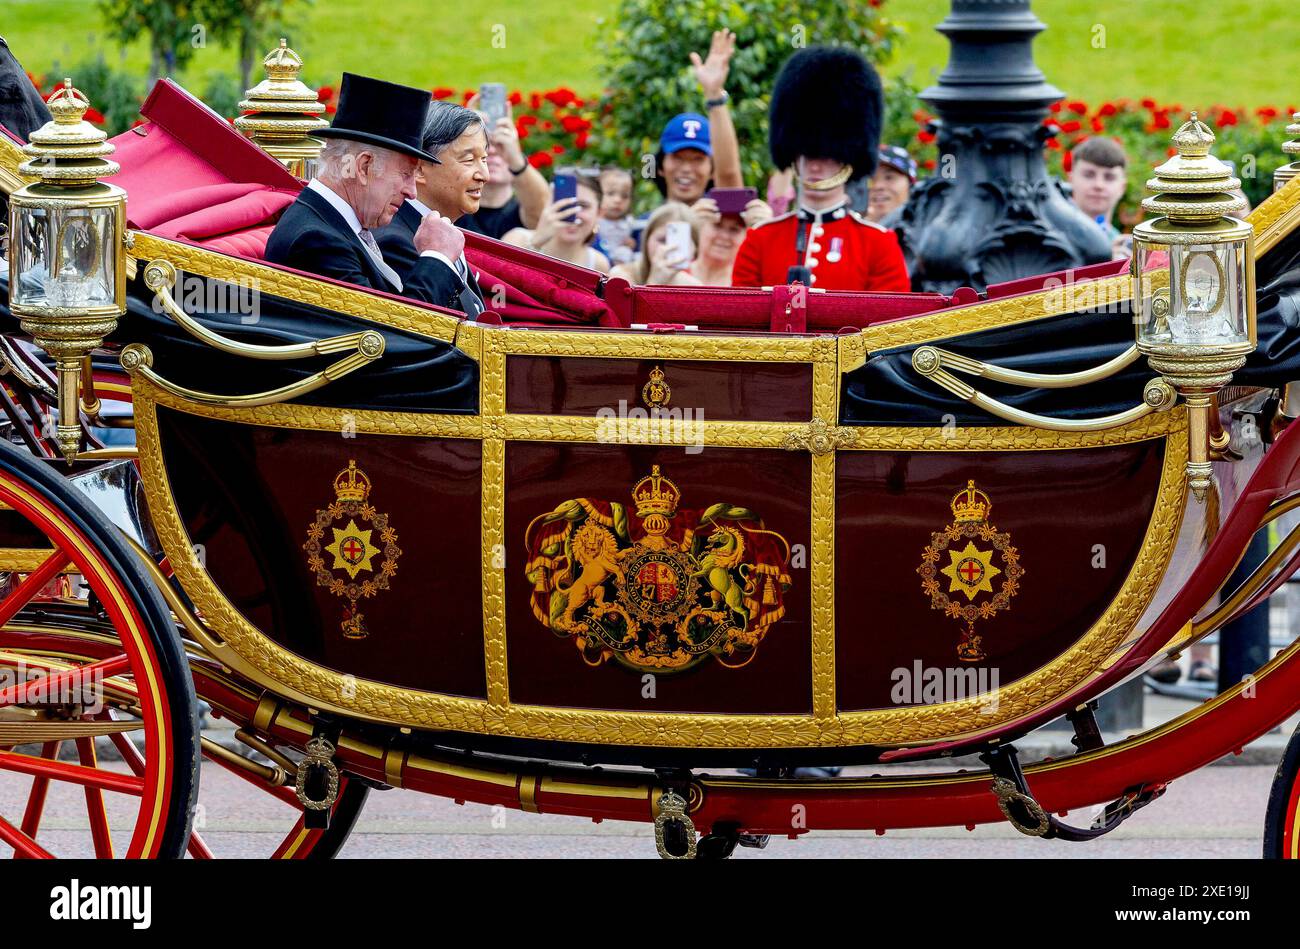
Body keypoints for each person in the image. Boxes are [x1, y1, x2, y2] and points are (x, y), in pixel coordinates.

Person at [265, 73, 473, 312]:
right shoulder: (317, 241)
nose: (412, 192)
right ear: (364, 166)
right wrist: (438, 258)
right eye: (406, 174)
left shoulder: (332, 224)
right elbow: (394, 334)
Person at [731, 46, 909, 292]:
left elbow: (890, 325)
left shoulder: (878, 244)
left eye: (828, 156)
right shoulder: (760, 240)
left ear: (848, 158)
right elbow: (740, 319)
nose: (814, 165)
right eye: (807, 154)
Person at [372, 100, 489, 317]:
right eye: (469, 160)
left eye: (484, 159)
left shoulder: (442, 229)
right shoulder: (395, 241)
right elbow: (414, 327)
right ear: (418, 169)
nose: (484, 174)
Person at [458, 92, 550, 238]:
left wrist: (516, 159)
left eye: (500, 145)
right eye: (485, 146)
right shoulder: (452, 207)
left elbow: (543, 211)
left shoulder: (522, 211)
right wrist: (462, 135)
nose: (492, 151)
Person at [503, 172, 610, 272]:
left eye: (583, 206)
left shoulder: (598, 263)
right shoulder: (517, 239)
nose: (572, 212)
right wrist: (536, 243)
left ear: (600, 213)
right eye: (565, 204)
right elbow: (498, 285)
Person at [610, 202, 699, 286]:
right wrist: (656, 281)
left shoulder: (693, 286)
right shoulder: (621, 277)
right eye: (662, 240)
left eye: (680, 242)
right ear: (647, 239)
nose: (668, 248)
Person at [1068, 136, 1128, 242]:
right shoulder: (1051, 236)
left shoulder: (1124, 247)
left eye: (1109, 177)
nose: (1099, 185)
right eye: (1089, 175)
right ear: (1070, 180)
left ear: (1122, 187)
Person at [690, 207, 747, 286]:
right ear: (700, 227)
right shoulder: (674, 273)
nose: (724, 236)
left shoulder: (748, 284)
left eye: (734, 229)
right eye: (717, 225)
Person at [595, 167, 638, 265]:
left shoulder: (629, 222)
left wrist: (630, 244)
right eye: (610, 194)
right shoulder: (593, 220)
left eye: (625, 196)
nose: (618, 200)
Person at [863, 145, 917, 223]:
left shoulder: (929, 230)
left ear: (910, 184)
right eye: (871, 179)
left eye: (889, 177)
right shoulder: (845, 232)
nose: (878, 186)